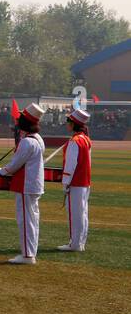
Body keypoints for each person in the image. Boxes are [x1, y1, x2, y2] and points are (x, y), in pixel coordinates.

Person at [0, 102, 45, 264]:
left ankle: (28, 255)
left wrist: (0, 172)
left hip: (25, 185)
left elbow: (14, 165)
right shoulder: (37, 139)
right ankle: (30, 252)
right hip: (33, 184)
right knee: (32, 220)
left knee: (26, 220)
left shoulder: (27, 142)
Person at [59, 106, 92, 252]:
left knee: (75, 214)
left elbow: (70, 165)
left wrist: (65, 183)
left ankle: (75, 244)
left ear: (73, 123)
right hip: (84, 182)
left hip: (76, 182)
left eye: (68, 121)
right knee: (83, 213)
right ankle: (80, 242)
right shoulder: (85, 139)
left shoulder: (75, 141)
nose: (67, 124)